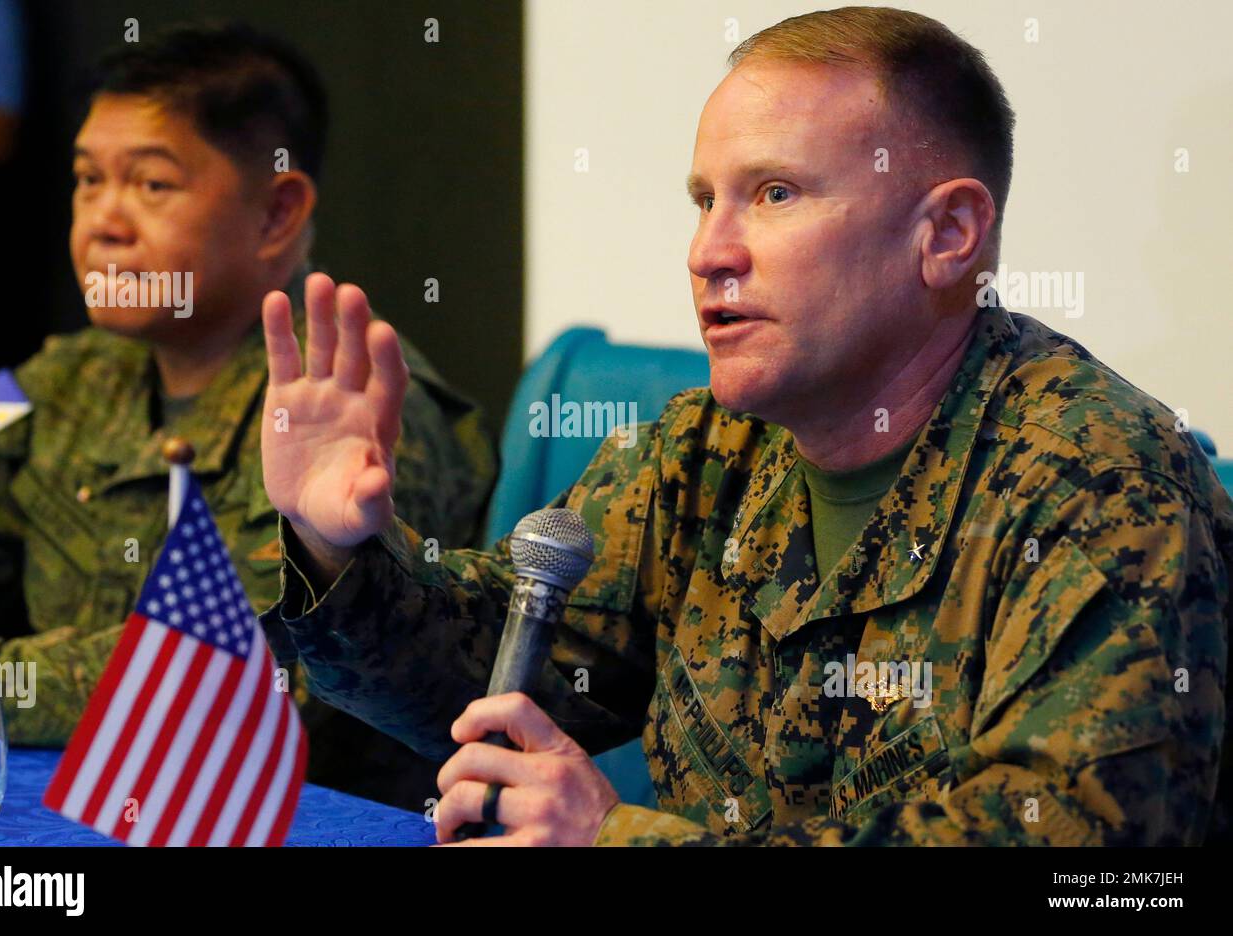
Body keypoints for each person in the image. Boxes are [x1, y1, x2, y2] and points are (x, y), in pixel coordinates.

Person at [259, 7, 1233, 844]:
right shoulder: (701, 451)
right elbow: (504, 677)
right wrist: (336, 548)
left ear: (944, 236)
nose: (709, 251)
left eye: (774, 194)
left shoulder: (1102, 487)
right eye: (703, 200)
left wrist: (612, 838)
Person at [0, 23, 496, 809]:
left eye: (152, 185)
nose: (104, 222)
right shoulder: (42, 384)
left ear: (275, 214)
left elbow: (231, 682)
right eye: (88, 180)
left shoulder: (351, 409)